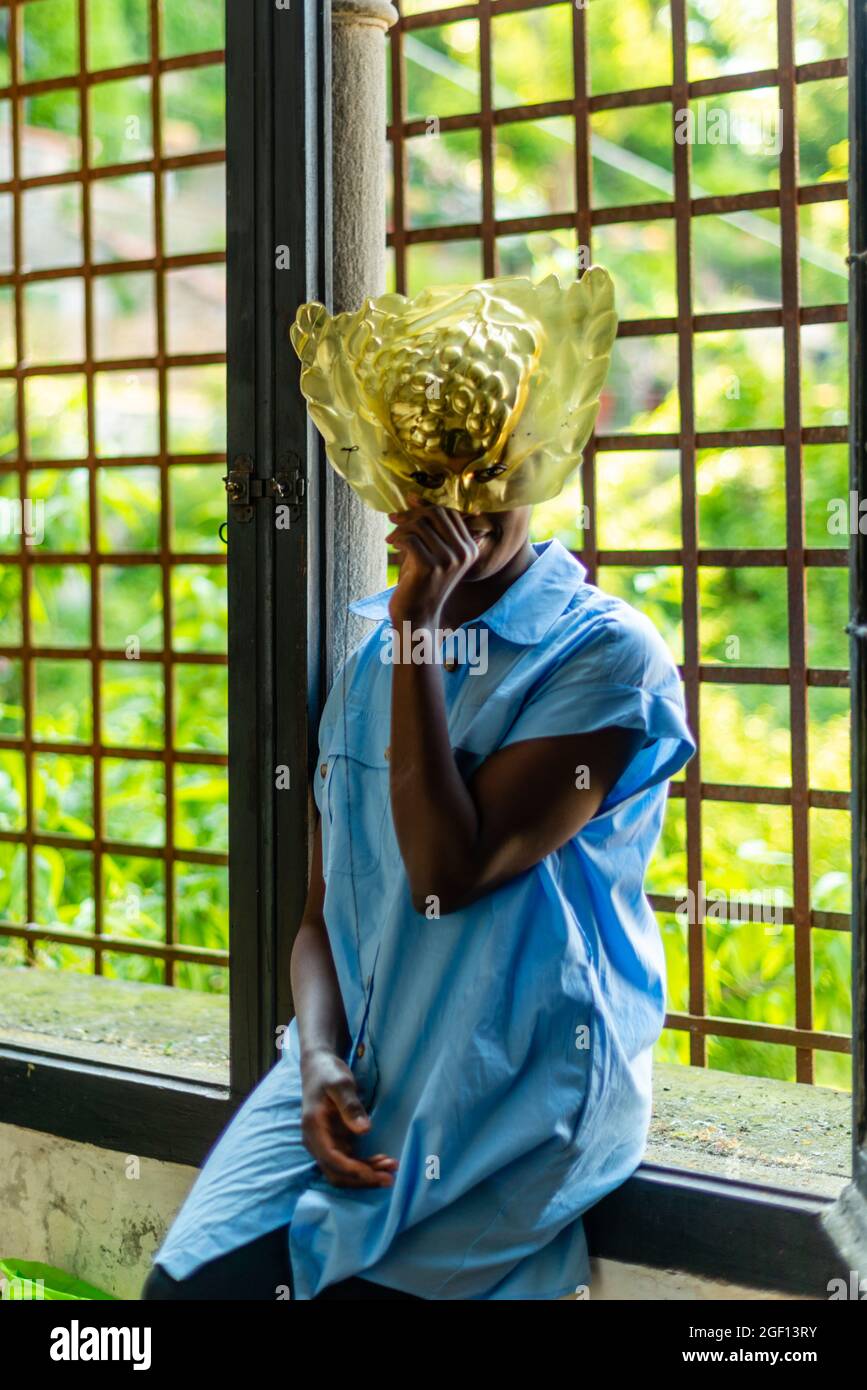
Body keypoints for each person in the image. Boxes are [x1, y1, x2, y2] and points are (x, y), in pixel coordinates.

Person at [143, 494, 695, 1301]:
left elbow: (450, 873)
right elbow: (323, 912)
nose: (457, 501)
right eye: (423, 473)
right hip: (359, 1069)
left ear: (539, 465)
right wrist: (317, 1055)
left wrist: (418, 628)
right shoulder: (370, 654)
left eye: (487, 471)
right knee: (185, 1293)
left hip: (506, 1092)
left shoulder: (605, 653)